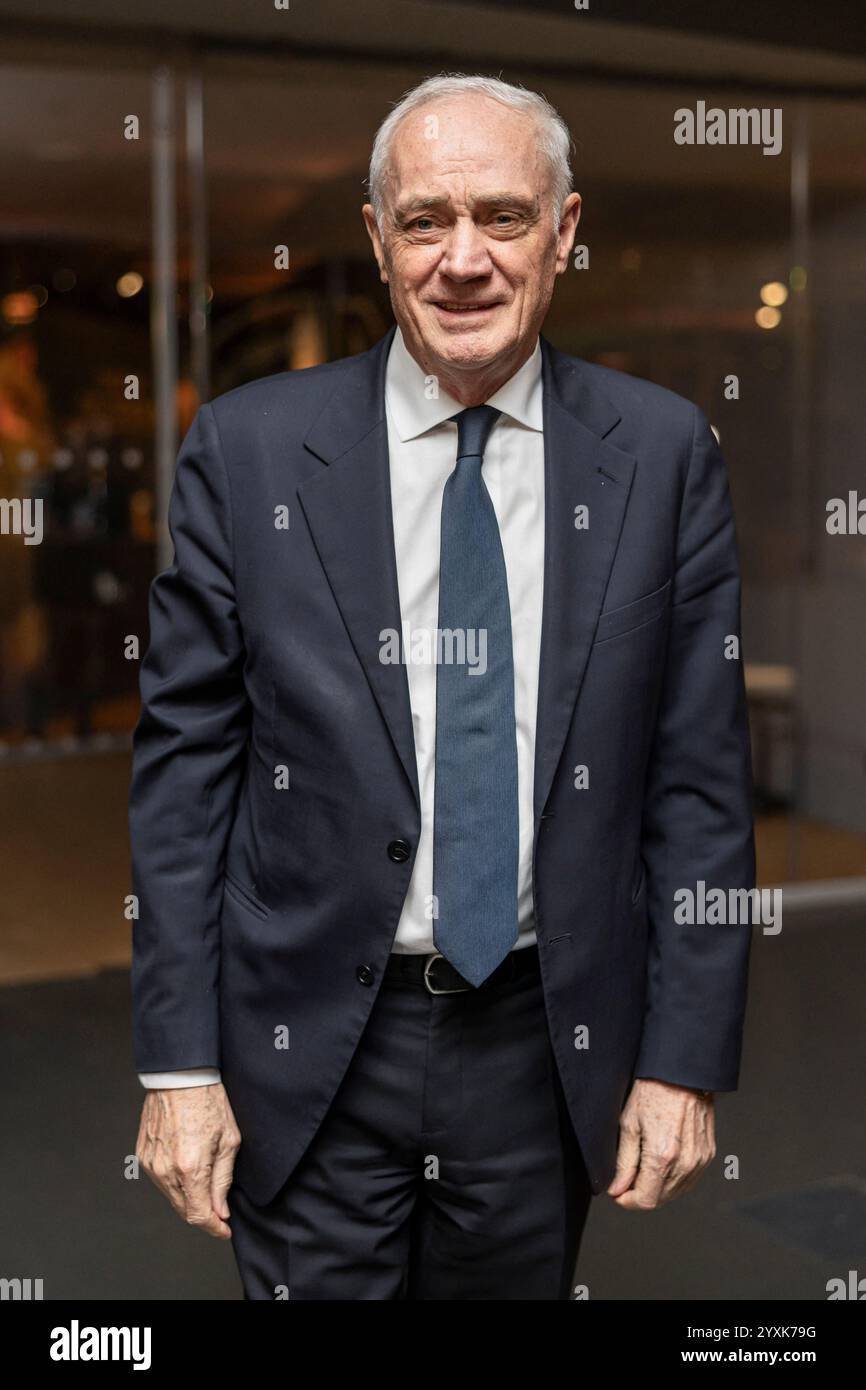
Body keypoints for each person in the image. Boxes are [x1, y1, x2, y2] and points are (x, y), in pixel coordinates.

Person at [131, 74, 755, 1300]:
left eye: (503, 218)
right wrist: (175, 1065)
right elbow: (184, 775)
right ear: (377, 239)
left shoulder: (664, 452)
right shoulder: (249, 447)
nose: (460, 258)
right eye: (423, 220)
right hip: (304, 1040)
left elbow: (697, 783)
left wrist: (681, 1061)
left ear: (565, 231)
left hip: (541, 1043)